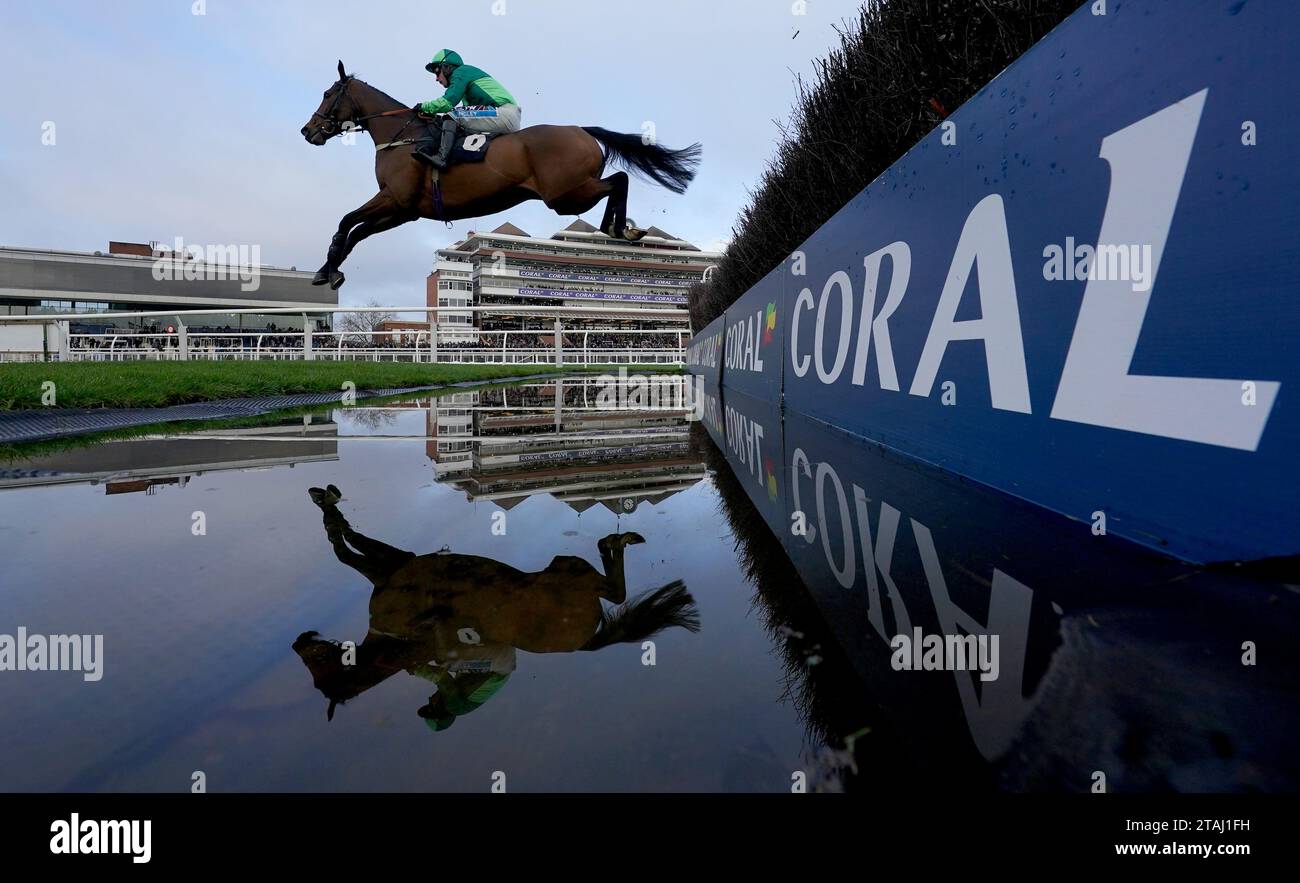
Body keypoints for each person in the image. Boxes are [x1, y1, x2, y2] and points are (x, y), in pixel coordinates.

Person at [412, 49, 522, 169]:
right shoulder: (466, 86)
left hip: (505, 113)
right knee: (458, 123)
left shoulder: (461, 72)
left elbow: (448, 102)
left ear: (446, 67)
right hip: (504, 116)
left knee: (453, 114)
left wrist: (424, 107)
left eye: (437, 72)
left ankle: (441, 158)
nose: (437, 79)